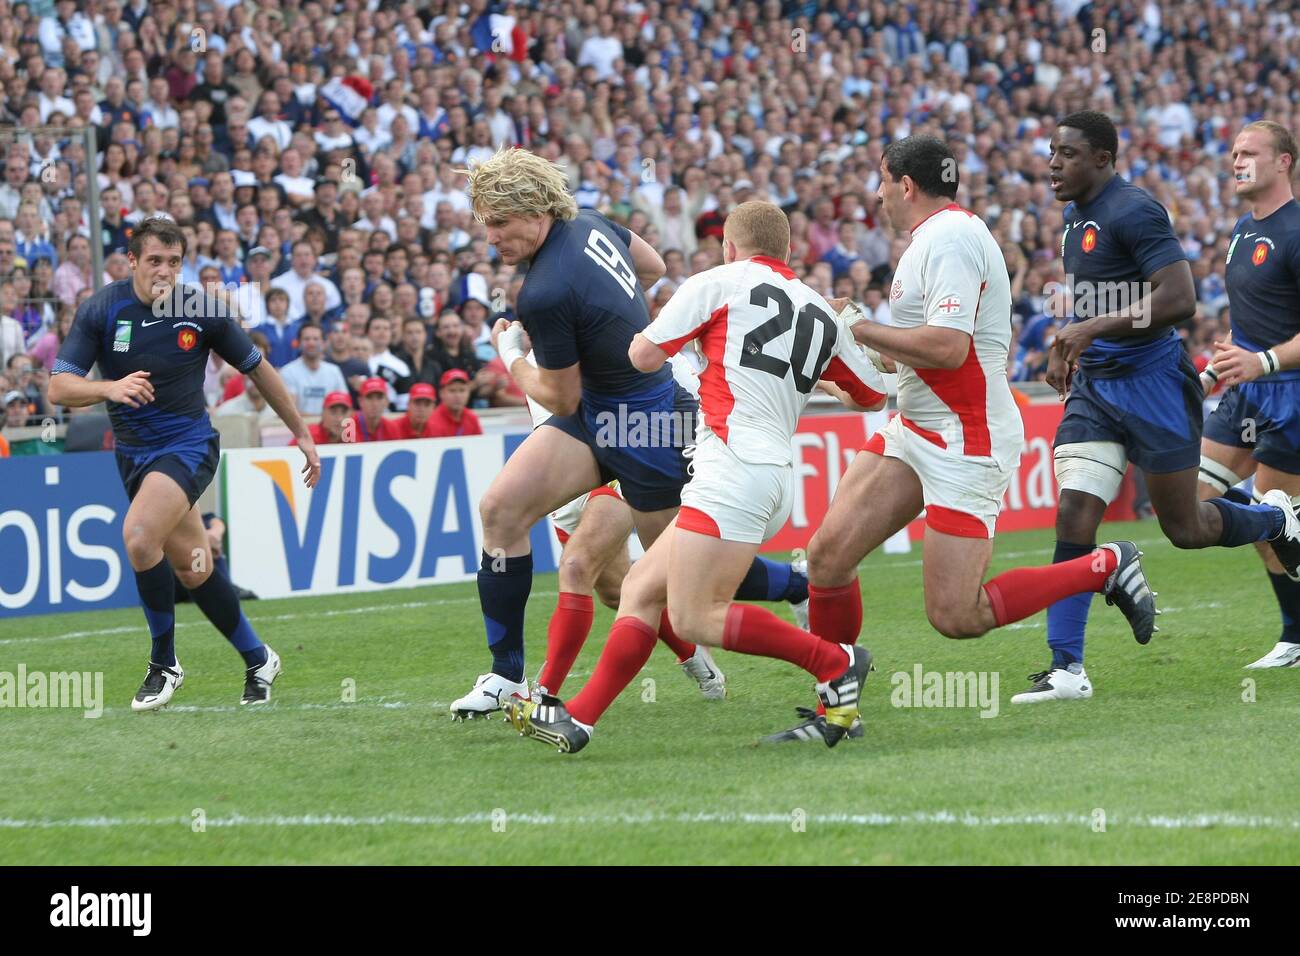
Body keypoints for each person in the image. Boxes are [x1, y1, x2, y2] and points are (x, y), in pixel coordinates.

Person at [765, 136, 1165, 741]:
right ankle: (837, 710)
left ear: (905, 185)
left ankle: (1106, 565)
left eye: (880, 181)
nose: (875, 195)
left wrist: (860, 324)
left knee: (956, 615)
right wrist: (851, 370)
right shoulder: (928, 243)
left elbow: (949, 348)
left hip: (964, 435)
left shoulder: (951, 238)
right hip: (918, 424)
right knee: (826, 557)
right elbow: (918, 359)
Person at [505, 201, 887, 753]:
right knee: (640, 588)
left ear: (728, 247)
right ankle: (580, 719)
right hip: (772, 472)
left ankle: (836, 661)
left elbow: (640, 355)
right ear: (784, 250)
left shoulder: (718, 282)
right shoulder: (816, 308)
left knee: (696, 616)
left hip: (731, 465)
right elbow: (869, 396)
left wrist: (697, 341)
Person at [1016, 113, 1300, 702]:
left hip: (1154, 386)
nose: (1052, 165)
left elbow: (1178, 299)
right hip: (1097, 388)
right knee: (1073, 515)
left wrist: (1087, 328)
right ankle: (1067, 667)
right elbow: (1099, 301)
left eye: (1066, 154)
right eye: (1051, 153)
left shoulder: (1136, 211)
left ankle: (1277, 521)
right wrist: (1073, 340)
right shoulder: (1074, 221)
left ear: (1101, 158)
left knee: (1187, 526)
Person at [449, 147, 695, 719]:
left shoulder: (545, 290)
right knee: (502, 511)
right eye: (484, 224)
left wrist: (510, 355)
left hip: (647, 420)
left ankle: (797, 588)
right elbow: (654, 266)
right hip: (602, 411)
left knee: (689, 591)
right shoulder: (588, 221)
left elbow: (558, 395)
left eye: (499, 223)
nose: (491, 239)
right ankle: (506, 676)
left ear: (535, 210)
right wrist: (606, 322)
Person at [47, 218, 320, 711]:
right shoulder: (102, 309)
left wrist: (301, 432)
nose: (165, 272)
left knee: (138, 536)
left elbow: (259, 370)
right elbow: (59, 387)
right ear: (131, 261)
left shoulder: (200, 310)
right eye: (155, 261)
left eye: (174, 262)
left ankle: (164, 663)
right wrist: (109, 387)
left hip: (189, 445)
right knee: (194, 567)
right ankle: (259, 658)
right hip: (134, 455)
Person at [1197, 121, 1300, 669]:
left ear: (1283, 161)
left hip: (1291, 394)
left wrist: (1263, 361)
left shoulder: (1297, 231)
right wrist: (1216, 371)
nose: (1237, 161)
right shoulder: (1241, 229)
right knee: (1193, 506)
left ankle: (1294, 636)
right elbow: (1252, 325)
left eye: (1250, 153)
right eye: (1233, 153)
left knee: (1271, 528)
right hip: (1245, 393)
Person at [279, 322, 347, 414]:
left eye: (316, 339)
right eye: (306, 339)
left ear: (324, 343)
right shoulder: (287, 372)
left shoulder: (334, 371)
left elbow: (345, 406)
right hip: (299, 427)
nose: (311, 343)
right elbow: (290, 411)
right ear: (298, 343)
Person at [424, 368, 483, 438]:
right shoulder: (432, 421)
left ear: (468, 392)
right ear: (441, 393)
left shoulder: (472, 418)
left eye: (462, 390)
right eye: (452, 391)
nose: (458, 396)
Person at [353, 375, 399, 442]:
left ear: (387, 402)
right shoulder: (348, 427)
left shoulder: (392, 428)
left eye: (379, 398)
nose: (375, 403)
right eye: (369, 398)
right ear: (360, 401)